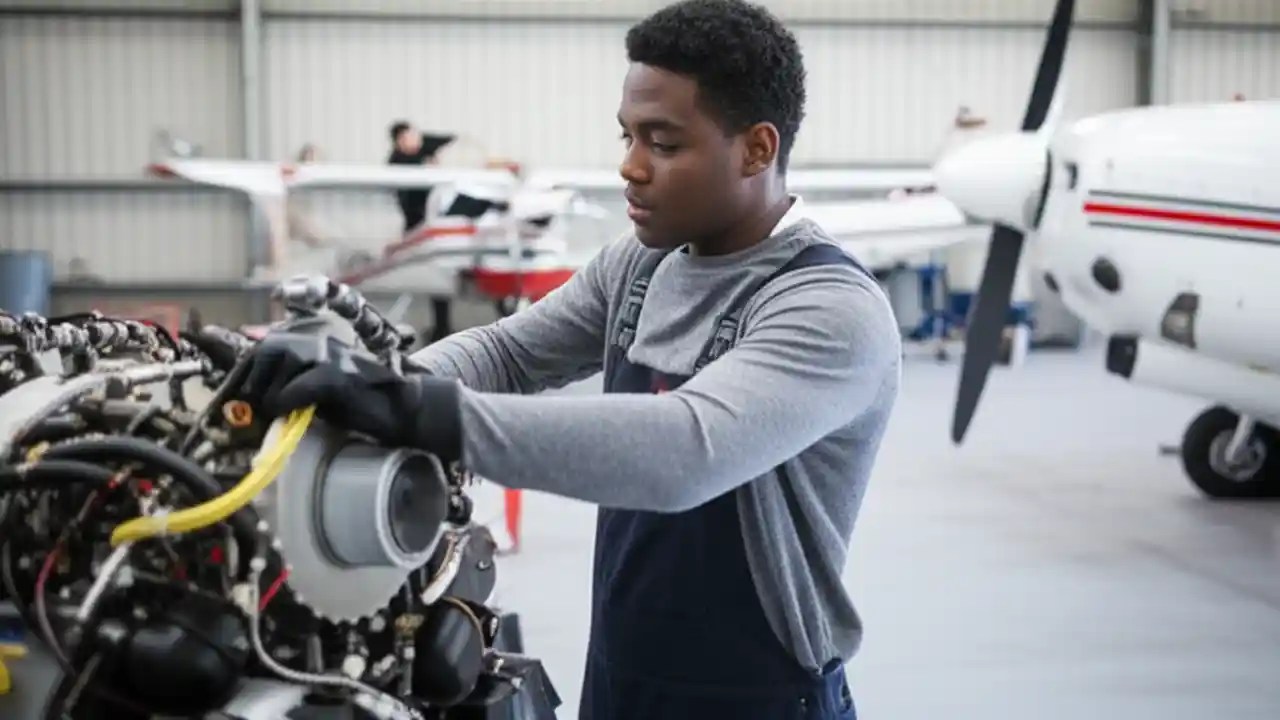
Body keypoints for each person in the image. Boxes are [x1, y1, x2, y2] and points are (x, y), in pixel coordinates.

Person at [237, 1, 901, 718]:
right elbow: (509, 351)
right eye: (627, 136)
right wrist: (381, 380)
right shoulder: (637, 268)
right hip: (622, 671)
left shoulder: (829, 307)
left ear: (757, 149)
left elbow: (686, 450)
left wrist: (416, 412)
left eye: (664, 143)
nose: (630, 167)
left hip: (759, 696)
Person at [388, 121, 458, 342]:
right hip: (415, 230)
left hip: (434, 228)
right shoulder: (398, 162)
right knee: (418, 278)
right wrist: (427, 163)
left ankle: (442, 326)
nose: (416, 141)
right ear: (399, 141)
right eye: (409, 137)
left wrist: (423, 141)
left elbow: (449, 137)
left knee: (439, 276)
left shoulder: (422, 150)